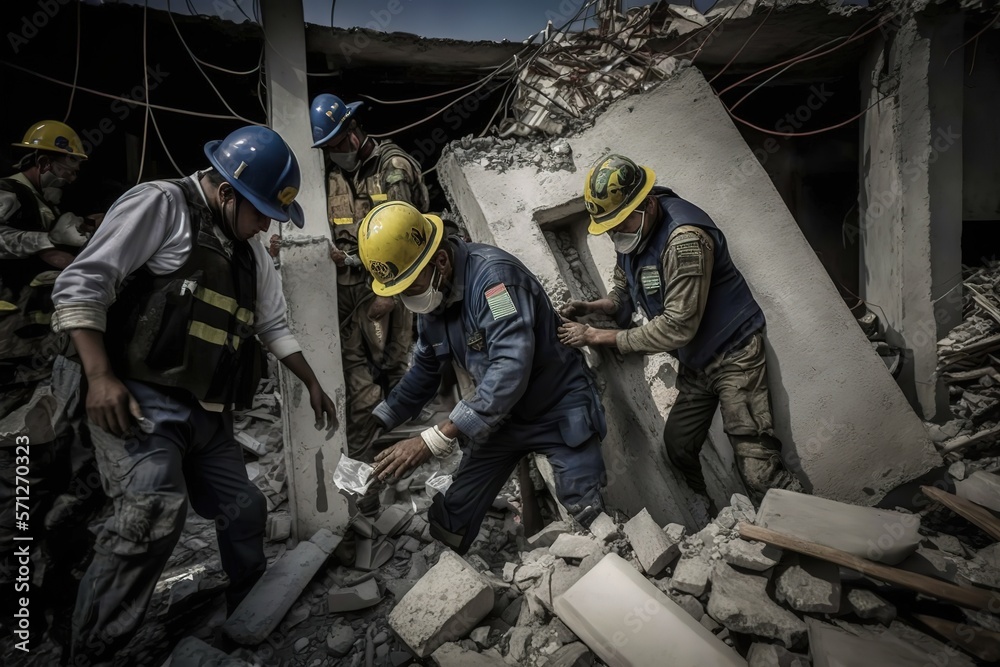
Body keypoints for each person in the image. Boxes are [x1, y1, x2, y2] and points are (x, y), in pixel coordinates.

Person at [49, 125, 338, 664]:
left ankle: (247, 610)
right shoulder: (162, 205)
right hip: (141, 401)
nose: (265, 226)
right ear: (227, 191)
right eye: (259, 212)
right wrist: (100, 377)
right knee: (153, 509)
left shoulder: (251, 255)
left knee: (243, 506)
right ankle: (93, 649)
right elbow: (82, 283)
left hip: (208, 413)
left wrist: (311, 381)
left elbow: (273, 326)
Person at [359, 200, 607, 556]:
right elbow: (425, 370)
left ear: (440, 261)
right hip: (502, 419)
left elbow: (510, 368)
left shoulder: (495, 282)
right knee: (452, 513)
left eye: (408, 286)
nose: (403, 298)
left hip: (558, 407)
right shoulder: (433, 300)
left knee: (588, 513)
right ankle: (457, 583)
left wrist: (432, 439)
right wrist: (380, 420)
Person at [558, 154, 803, 514]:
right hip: (697, 363)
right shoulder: (634, 234)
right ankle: (716, 515)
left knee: (757, 466)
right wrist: (593, 307)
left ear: (648, 204)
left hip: (735, 355)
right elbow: (623, 293)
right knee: (678, 447)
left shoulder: (684, 239)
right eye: (609, 227)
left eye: (619, 224)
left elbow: (677, 326)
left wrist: (596, 337)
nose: (614, 234)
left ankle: (806, 534)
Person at [0, 120, 100, 648]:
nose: (76, 170)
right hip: (11, 366)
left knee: (61, 474)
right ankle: (19, 617)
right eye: (69, 162)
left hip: (43, 364)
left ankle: (57, 597)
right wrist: (47, 242)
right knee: (20, 488)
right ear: (42, 161)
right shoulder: (11, 195)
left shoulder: (40, 203)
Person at [310, 93, 430, 515]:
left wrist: (390, 295)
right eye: (326, 148)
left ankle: (393, 474)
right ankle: (369, 491)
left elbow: (410, 237)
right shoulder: (328, 175)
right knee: (362, 390)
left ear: (352, 131)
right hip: (350, 292)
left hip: (387, 291)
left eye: (337, 144)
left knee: (396, 376)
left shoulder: (391, 168)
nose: (333, 154)